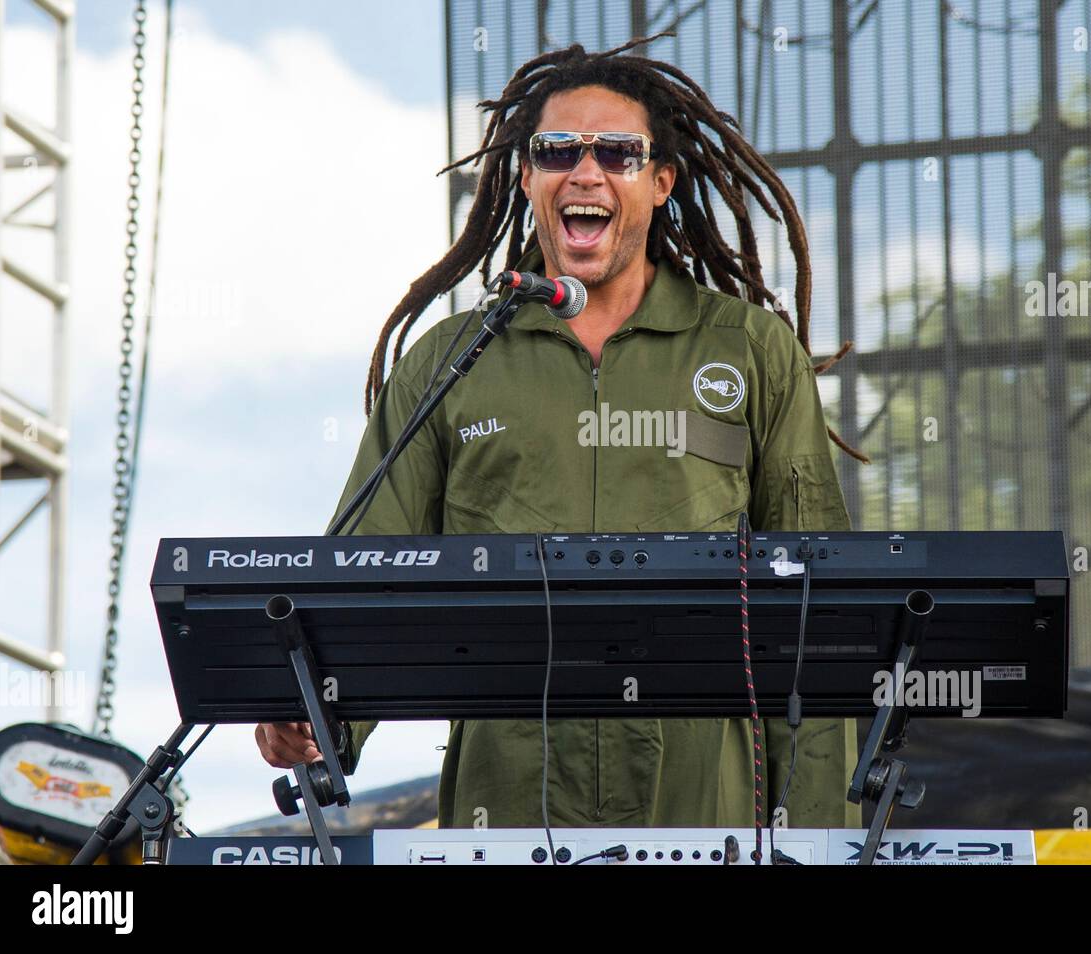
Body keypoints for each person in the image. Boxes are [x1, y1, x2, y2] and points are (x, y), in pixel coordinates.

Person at [255, 34, 867, 830]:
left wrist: (822, 839)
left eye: (618, 152)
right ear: (527, 177)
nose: (587, 171)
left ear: (660, 183)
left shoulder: (749, 350)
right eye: (557, 151)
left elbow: (817, 609)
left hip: (703, 795)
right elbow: (368, 573)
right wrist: (314, 714)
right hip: (507, 791)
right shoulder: (450, 359)